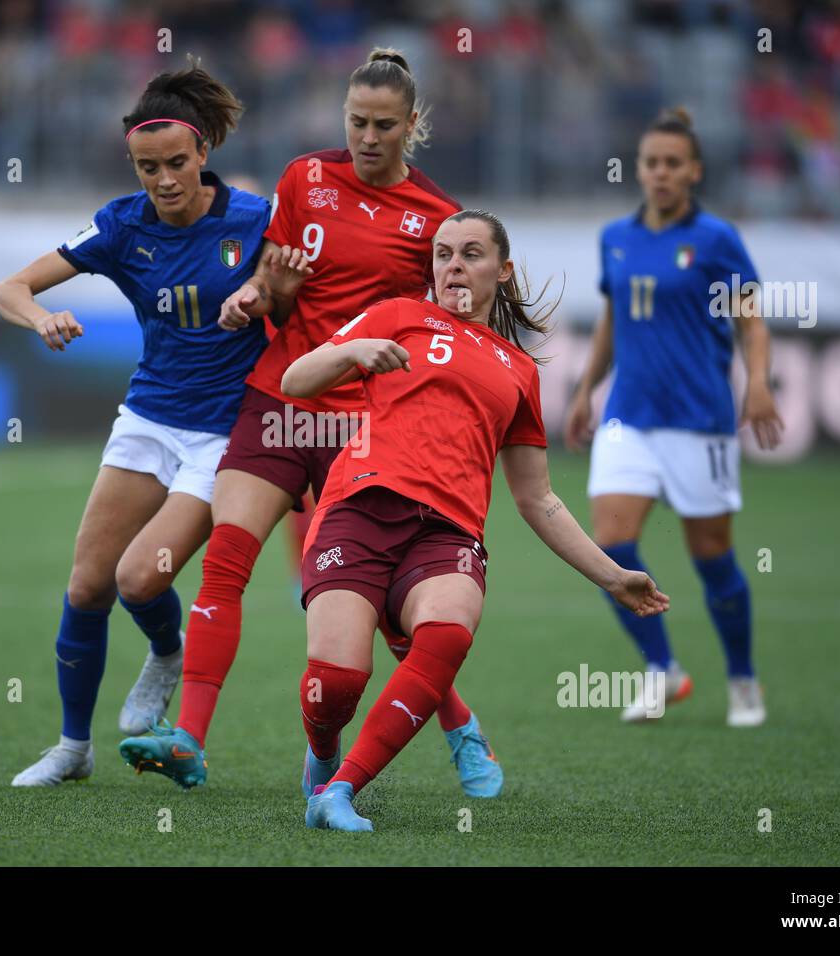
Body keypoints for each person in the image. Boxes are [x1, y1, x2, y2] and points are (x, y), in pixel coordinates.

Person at [119, 48, 506, 798]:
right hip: (279, 396)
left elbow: (436, 324)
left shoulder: (433, 218)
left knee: (372, 598)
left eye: (384, 124)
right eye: (356, 121)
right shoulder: (305, 179)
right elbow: (276, 280)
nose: (367, 136)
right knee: (226, 560)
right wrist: (257, 297)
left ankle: (461, 727)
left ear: (412, 125)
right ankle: (188, 738)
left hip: (361, 426)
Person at [282, 209, 669, 831]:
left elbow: (538, 499)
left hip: (447, 533)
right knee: (336, 682)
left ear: (503, 269)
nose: (453, 266)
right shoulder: (396, 315)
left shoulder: (518, 372)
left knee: (447, 634)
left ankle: (340, 791)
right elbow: (295, 379)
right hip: (359, 508)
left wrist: (614, 576)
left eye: (470, 253)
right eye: (442, 254)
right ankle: (323, 752)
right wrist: (353, 349)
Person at [0, 61, 278, 786]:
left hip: (225, 436)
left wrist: (265, 293)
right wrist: (40, 316)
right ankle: (72, 750)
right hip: (148, 418)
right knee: (87, 587)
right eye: (147, 167)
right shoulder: (120, 226)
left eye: (176, 163)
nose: (164, 180)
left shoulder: (256, 218)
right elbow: (8, 289)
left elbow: (306, 286)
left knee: (138, 581)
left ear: (204, 151)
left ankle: (167, 651)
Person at [564, 107, 783, 727]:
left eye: (672, 164)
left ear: (694, 171)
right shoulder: (616, 237)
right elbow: (612, 321)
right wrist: (586, 389)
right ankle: (663, 670)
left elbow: (752, 320)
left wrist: (758, 383)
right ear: (639, 169)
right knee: (610, 544)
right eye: (651, 163)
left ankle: (742, 679)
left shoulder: (716, 239)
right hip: (629, 415)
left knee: (712, 558)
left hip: (698, 420)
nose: (660, 174)